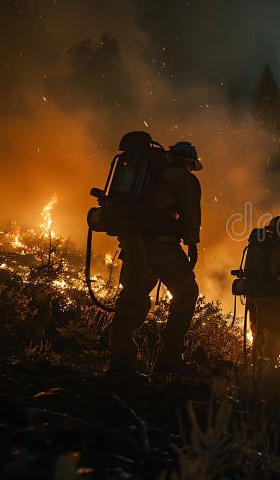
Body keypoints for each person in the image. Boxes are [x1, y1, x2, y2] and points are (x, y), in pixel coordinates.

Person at [107, 141, 202, 380]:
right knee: (187, 291)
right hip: (162, 246)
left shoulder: (150, 175)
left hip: (133, 244)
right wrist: (191, 242)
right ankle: (169, 356)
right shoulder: (186, 179)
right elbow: (191, 213)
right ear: (190, 162)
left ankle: (120, 360)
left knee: (132, 296)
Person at [244, 216, 280, 365]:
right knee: (275, 332)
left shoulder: (254, 246)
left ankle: (253, 370)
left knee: (257, 335)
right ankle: (268, 368)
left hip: (252, 298)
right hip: (270, 299)